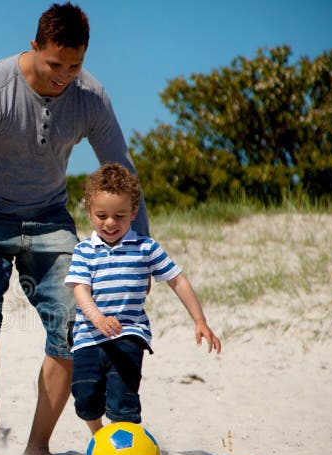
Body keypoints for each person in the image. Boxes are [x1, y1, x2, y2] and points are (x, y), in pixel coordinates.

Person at [0, 2, 149, 455]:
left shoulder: (90, 98)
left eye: (75, 66)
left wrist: (140, 248)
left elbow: (122, 173)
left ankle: (39, 446)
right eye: (55, 63)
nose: (64, 75)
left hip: (50, 219)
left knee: (76, 326)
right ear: (34, 47)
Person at [65, 163, 221, 435]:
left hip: (129, 334)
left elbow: (178, 280)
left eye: (120, 215)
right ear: (89, 212)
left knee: (123, 399)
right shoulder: (84, 250)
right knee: (85, 398)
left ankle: (123, 439)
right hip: (88, 336)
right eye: (102, 215)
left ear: (133, 213)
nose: (110, 223)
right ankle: (98, 435)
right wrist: (97, 318)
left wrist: (200, 320)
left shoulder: (146, 248)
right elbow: (80, 290)